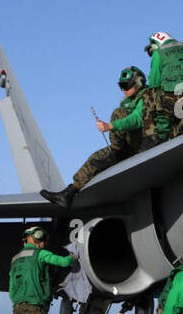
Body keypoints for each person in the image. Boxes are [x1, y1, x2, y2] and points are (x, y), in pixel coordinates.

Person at [40, 67, 147, 210]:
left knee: (118, 113)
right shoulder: (128, 101)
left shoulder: (146, 97)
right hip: (127, 145)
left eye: (126, 86)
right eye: (120, 86)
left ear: (138, 84)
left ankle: (115, 152)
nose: (123, 90)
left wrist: (110, 126)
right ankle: (68, 193)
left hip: (143, 143)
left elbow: (136, 120)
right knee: (95, 159)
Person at [105, 33, 183, 148]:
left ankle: (155, 139)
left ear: (156, 44)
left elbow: (154, 85)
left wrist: (161, 128)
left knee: (149, 94)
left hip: (172, 102)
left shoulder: (159, 53)